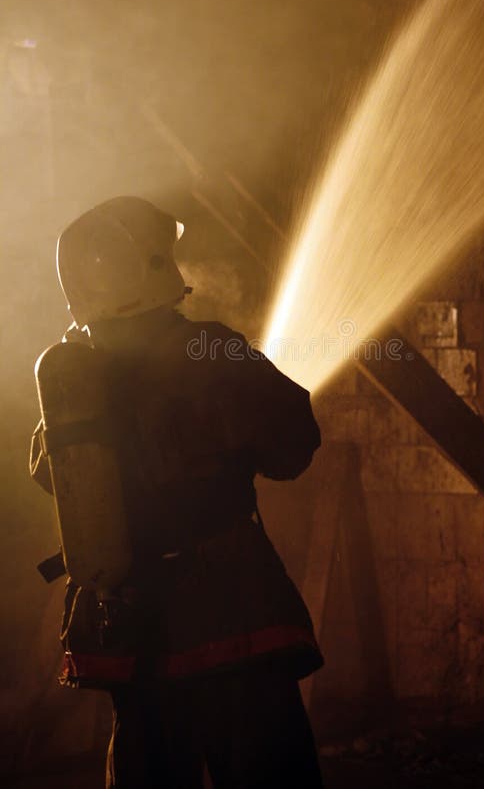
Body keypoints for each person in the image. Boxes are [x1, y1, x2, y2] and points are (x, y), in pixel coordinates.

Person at [30, 196, 324, 789]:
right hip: (228, 608)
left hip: (131, 623)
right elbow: (293, 447)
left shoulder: (73, 379)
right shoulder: (208, 350)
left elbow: (46, 469)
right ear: (154, 266)